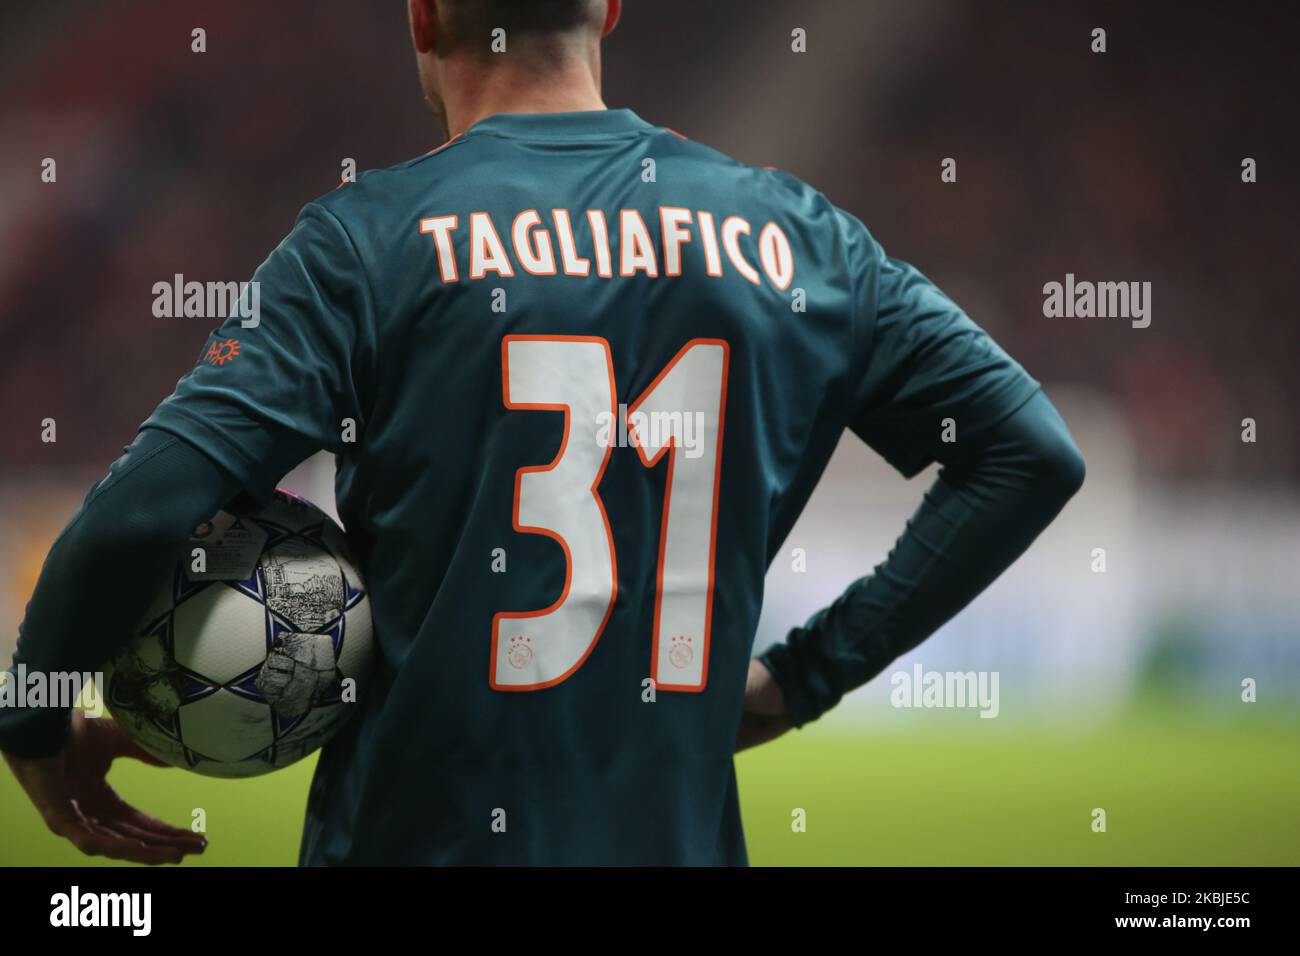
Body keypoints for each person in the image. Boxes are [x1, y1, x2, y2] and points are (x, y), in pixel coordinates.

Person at [0, 0, 1084, 865]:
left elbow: (133, 518)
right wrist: (805, 676)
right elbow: (1028, 450)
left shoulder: (363, 246)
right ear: (609, 10)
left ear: (421, 16)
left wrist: (33, 719)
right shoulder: (799, 239)